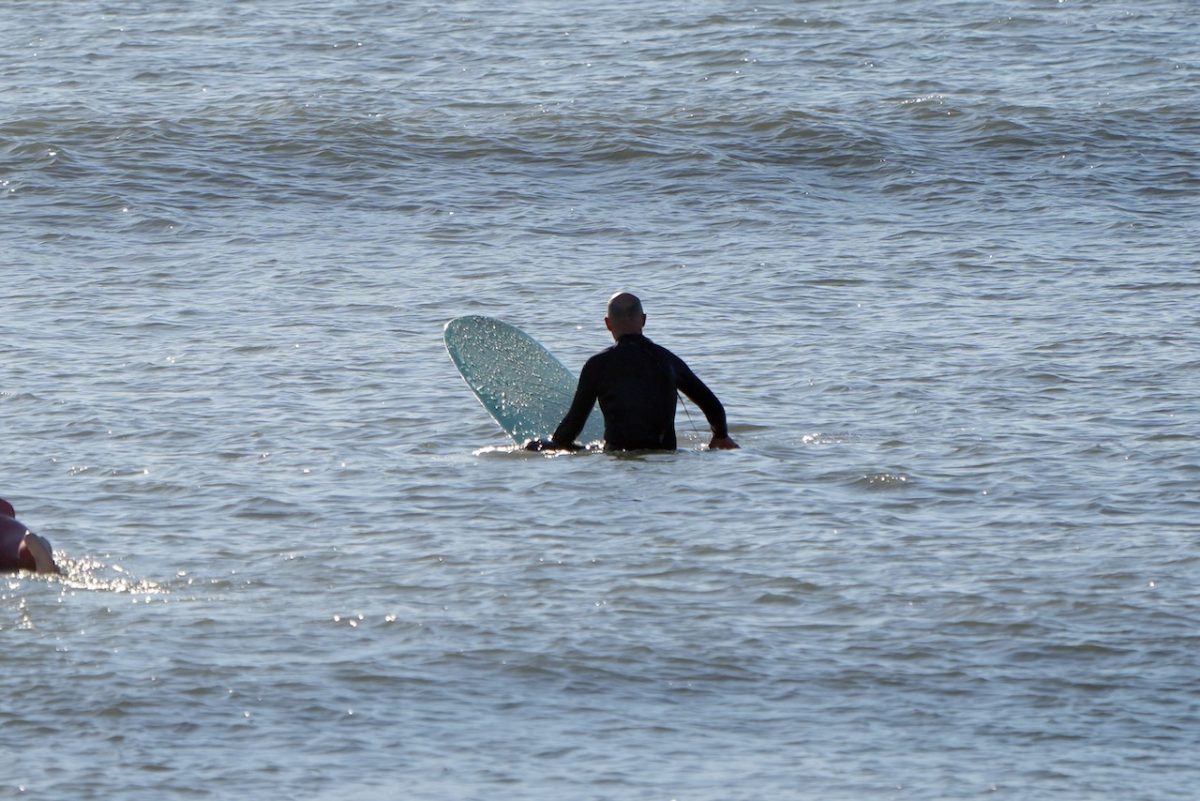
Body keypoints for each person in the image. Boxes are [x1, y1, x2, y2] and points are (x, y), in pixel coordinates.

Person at [539, 292, 739, 452]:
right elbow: (713, 406)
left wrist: (552, 444)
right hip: (665, 456)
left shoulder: (597, 365)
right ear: (643, 320)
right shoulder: (667, 360)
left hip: (618, 453)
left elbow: (574, 422)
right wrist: (720, 435)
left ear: (607, 324)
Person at [0, 498, 60, 574]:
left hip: (6, 549)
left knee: (10, 556)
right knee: (23, 549)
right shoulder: (5, 506)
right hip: (19, 536)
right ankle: (37, 546)